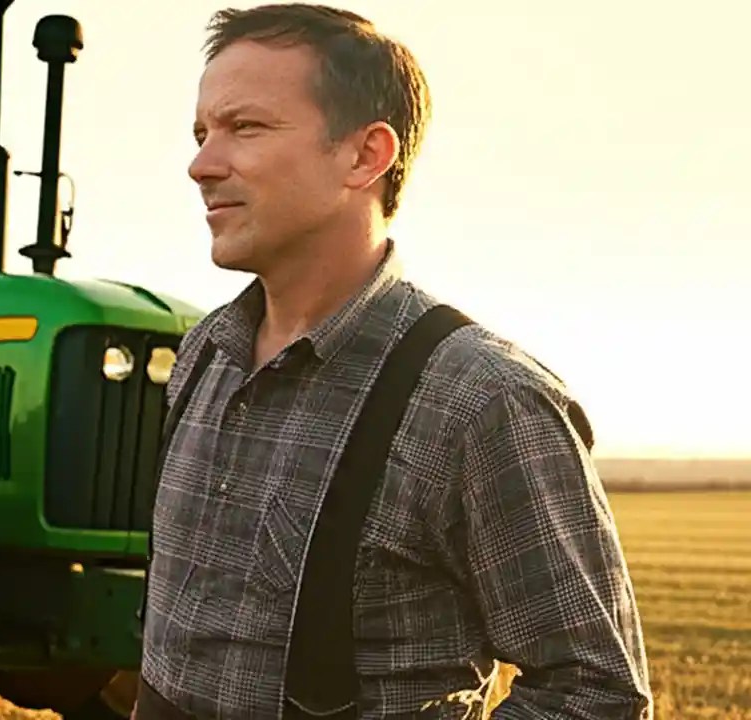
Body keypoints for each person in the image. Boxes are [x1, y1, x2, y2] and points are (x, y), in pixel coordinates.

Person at [134, 4, 653, 719]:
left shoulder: (484, 399)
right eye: (201, 133)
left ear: (365, 155)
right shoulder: (203, 355)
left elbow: (595, 693)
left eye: (244, 127)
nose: (200, 164)